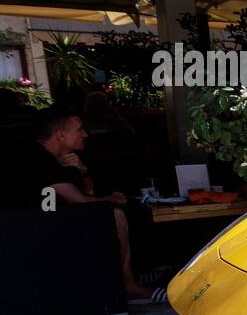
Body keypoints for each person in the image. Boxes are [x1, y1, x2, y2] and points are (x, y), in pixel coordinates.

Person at [1, 106, 165, 303]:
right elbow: (81, 201)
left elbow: (87, 196)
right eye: (79, 130)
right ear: (60, 135)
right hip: (25, 231)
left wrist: (82, 170)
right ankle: (130, 287)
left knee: (116, 211)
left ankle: (128, 274)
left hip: (37, 223)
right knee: (115, 215)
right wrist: (113, 199)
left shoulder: (55, 160)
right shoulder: (37, 158)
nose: (85, 134)